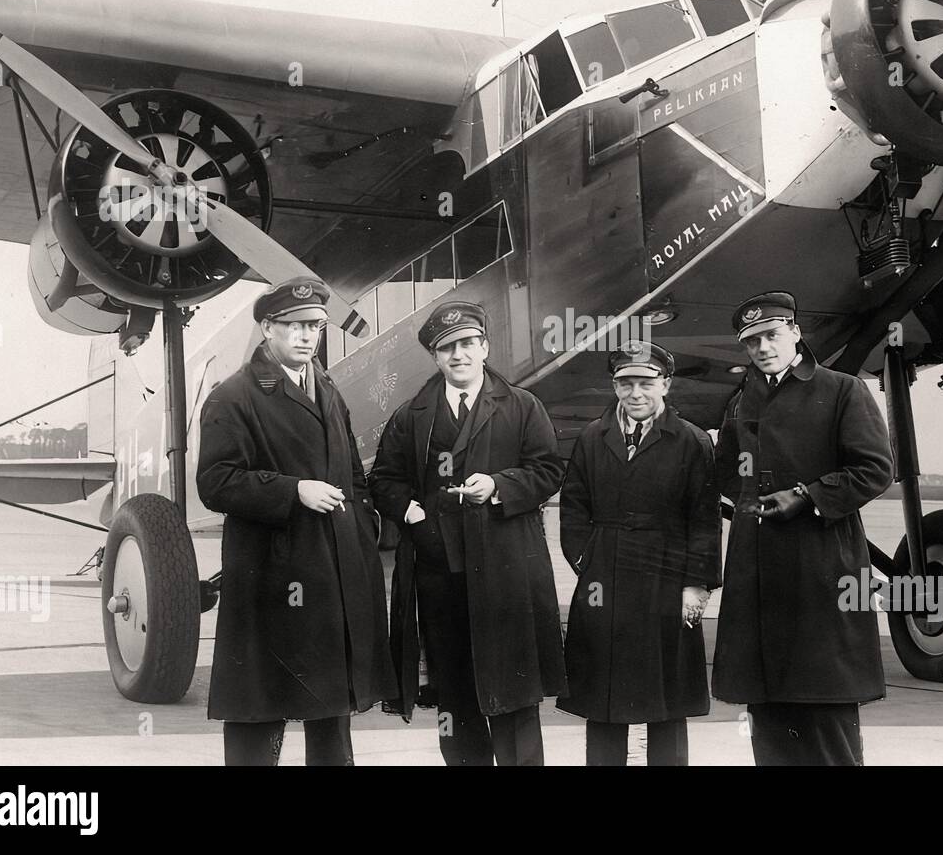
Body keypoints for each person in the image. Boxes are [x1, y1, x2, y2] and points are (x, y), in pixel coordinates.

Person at [196, 276, 398, 766]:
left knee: (331, 709)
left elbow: (351, 469)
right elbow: (216, 482)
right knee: (258, 711)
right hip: (270, 576)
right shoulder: (235, 396)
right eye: (295, 326)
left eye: (316, 326)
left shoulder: (326, 387)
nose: (308, 336)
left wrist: (362, 522)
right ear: (268, 327)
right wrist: (293, 491)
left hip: (331, 575)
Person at [368, 301, 566, 766]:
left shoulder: (521, 406)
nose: (458, 355)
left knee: (515, 691)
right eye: (446, 348)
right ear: (435, 358)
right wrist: (411, 512)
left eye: (466, 344)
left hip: (506, 572)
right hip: (441, 576)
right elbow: (383, 479)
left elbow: (549, 469)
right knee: (454, 694)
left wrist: (500, 485)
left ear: (484, 347)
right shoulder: (412, 414)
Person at [711, 291, 894, 765]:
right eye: (752, 342)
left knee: (826, 708)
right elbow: (726, 468)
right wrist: (751, 499)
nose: (763, 348)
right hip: (757, 569)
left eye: (772, 335)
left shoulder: (842, 390)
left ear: (795, 332)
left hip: (821, 566)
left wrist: (808, 495)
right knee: (769, 714)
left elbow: (875, 469)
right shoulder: (740, 400)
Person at [558, 341, 721, 766]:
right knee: (603, 702)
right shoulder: (593, 438)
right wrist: (586, 562)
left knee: (666, 704)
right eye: (625, 383)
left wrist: (696, 584)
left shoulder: (691, 441)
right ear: (614, 386)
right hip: (604, 580)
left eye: (646, 383)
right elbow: (574, 507)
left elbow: (704, 518)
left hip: (665, 581)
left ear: (666, 384)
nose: (635, 393)